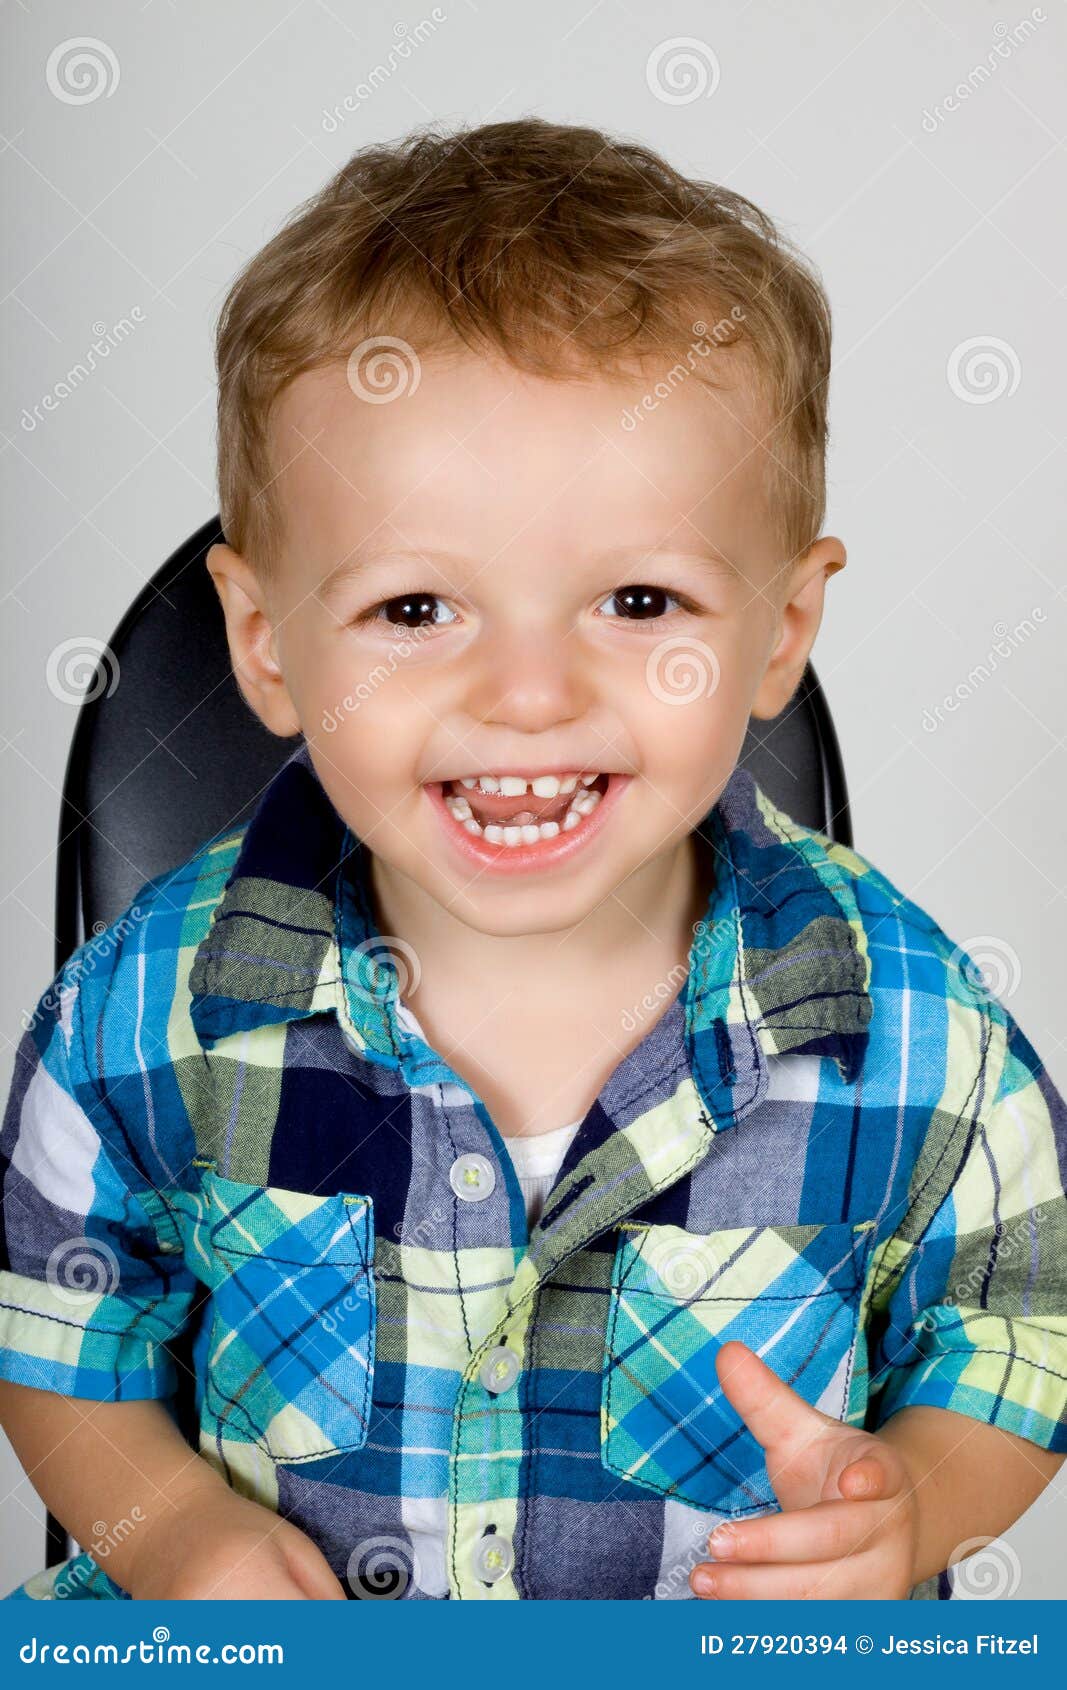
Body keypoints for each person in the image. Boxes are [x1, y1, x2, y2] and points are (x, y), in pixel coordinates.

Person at [1, 117, 1064, 1603]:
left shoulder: (908, 1020)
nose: (529, 694)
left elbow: (1016, 1327)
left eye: (638, 598)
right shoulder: (143, 1015)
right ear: (266, 643)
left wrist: (916, 1510)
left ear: (780, 630)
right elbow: (62, 1343)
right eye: (418, 609)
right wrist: (173, 1530)